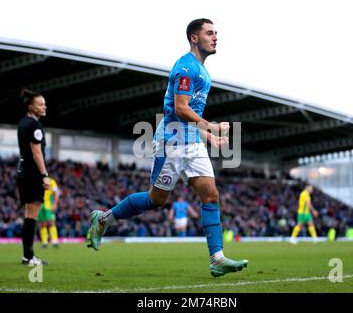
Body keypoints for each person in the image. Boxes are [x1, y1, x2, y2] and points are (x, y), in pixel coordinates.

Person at [86, 18, 248, 277]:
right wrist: (212, 127)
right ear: (194, 38)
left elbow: (189, 114)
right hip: (171, 144)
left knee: (211, 195)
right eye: (209, 33)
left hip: (192, 143)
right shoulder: (185, 68)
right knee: (155, 199)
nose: (215, 37)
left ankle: (217, 258)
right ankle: (103, 219)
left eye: (216, 33)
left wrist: (209, 138)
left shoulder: (203, 71)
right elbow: (181, 109)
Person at [17, 89, 51, 265]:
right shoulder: (35, 125)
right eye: (40, 104)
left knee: (29, 214)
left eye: (44, 103)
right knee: (32, 215)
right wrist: (44, 175)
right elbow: (37, 152)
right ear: (32, 107)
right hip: (32, 174)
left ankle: (27, 255)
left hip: (23, 172)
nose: (44, 106)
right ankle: (29, 256)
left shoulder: (23, 123)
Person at [38, 177, 60, 248]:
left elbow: (56, 192)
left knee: (51, 222)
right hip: (40, 204)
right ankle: (44, 242)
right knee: (42, 223)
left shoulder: (51, 181)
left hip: (49, 204)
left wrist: (55, 204)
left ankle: (55, 241)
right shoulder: (37, 180)